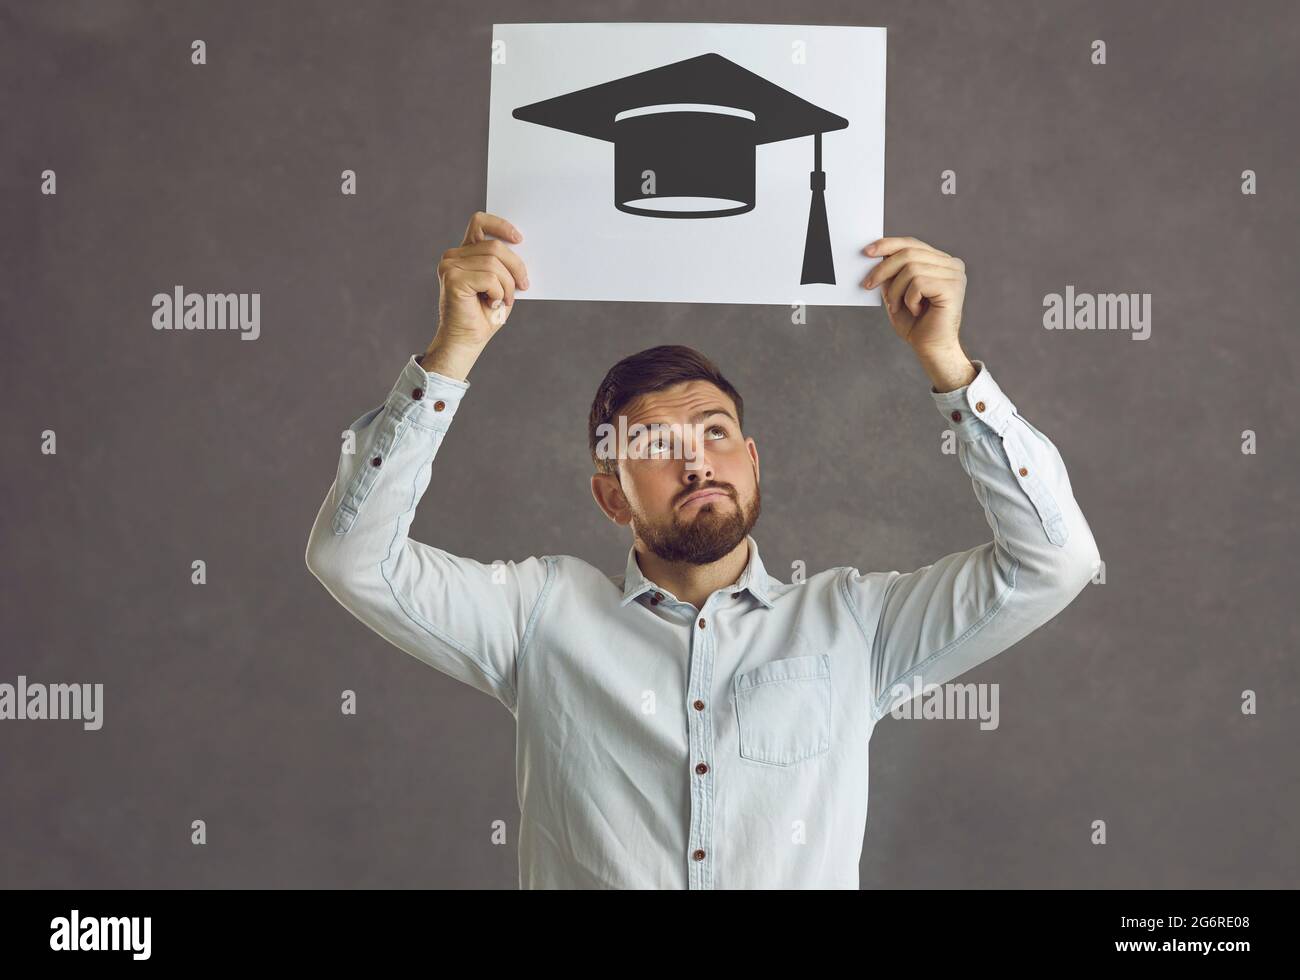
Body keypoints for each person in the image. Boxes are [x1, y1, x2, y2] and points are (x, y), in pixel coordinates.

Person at [305, 211, 1101, 889]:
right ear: (611, 494)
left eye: (716, 433)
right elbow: (352, 560)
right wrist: (454, 350)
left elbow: (1051, 564)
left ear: (750, 464)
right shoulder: (536, 617)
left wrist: (950, 367)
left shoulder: (857, 624)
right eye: (655, 442)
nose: (695, 460)